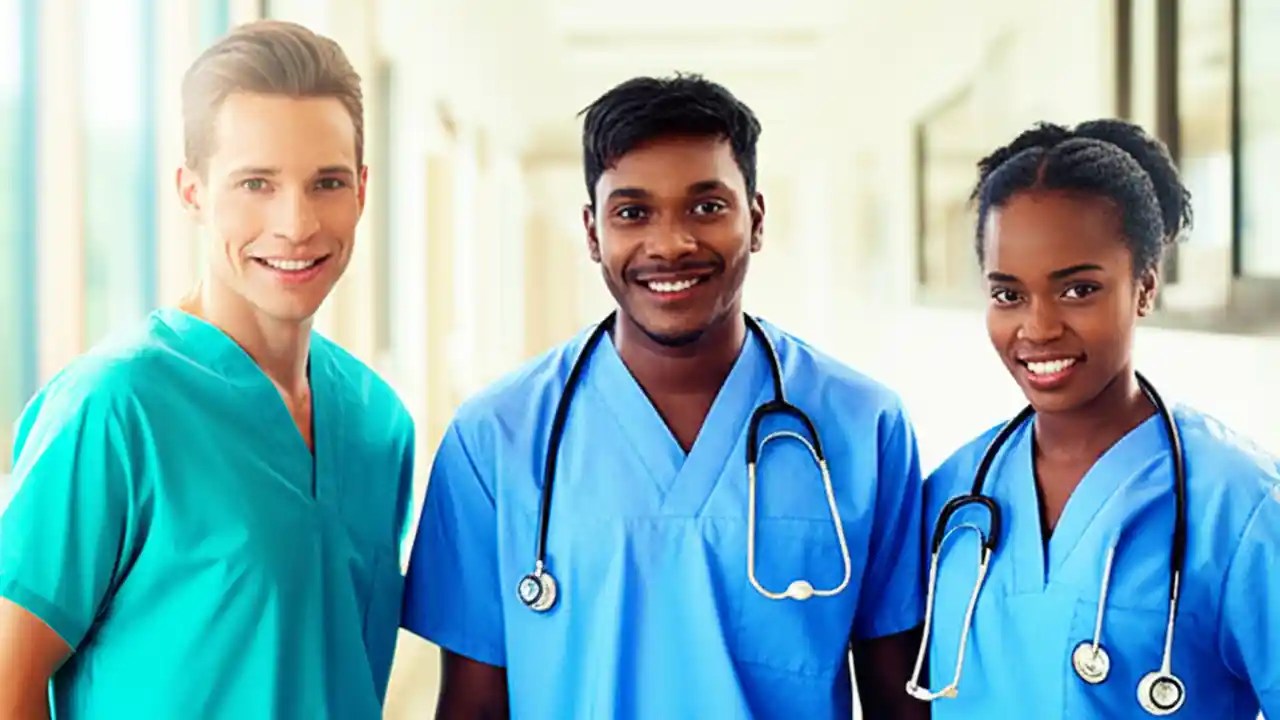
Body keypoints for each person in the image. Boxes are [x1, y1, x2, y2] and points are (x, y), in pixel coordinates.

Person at [401, 73, 928, 720]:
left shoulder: (862, 426)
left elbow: (898, 697)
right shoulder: (496, 437)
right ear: (593, 233)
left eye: (707, 207)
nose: (672, 243)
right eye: (632, 212)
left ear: (755, 220)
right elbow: (473, 705)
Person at [0, 20, 414, 719]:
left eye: (327, 182)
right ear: (191, 192)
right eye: (256, 183)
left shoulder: (379, 424)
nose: (295, 223)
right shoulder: (114, 409)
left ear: (362, 191)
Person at [913, 119, 1280, 718]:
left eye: (1078, 290)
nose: (1038, 327)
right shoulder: (951, 498)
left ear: (1143, 287)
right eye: (1008, 294)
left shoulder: (1241, 506)